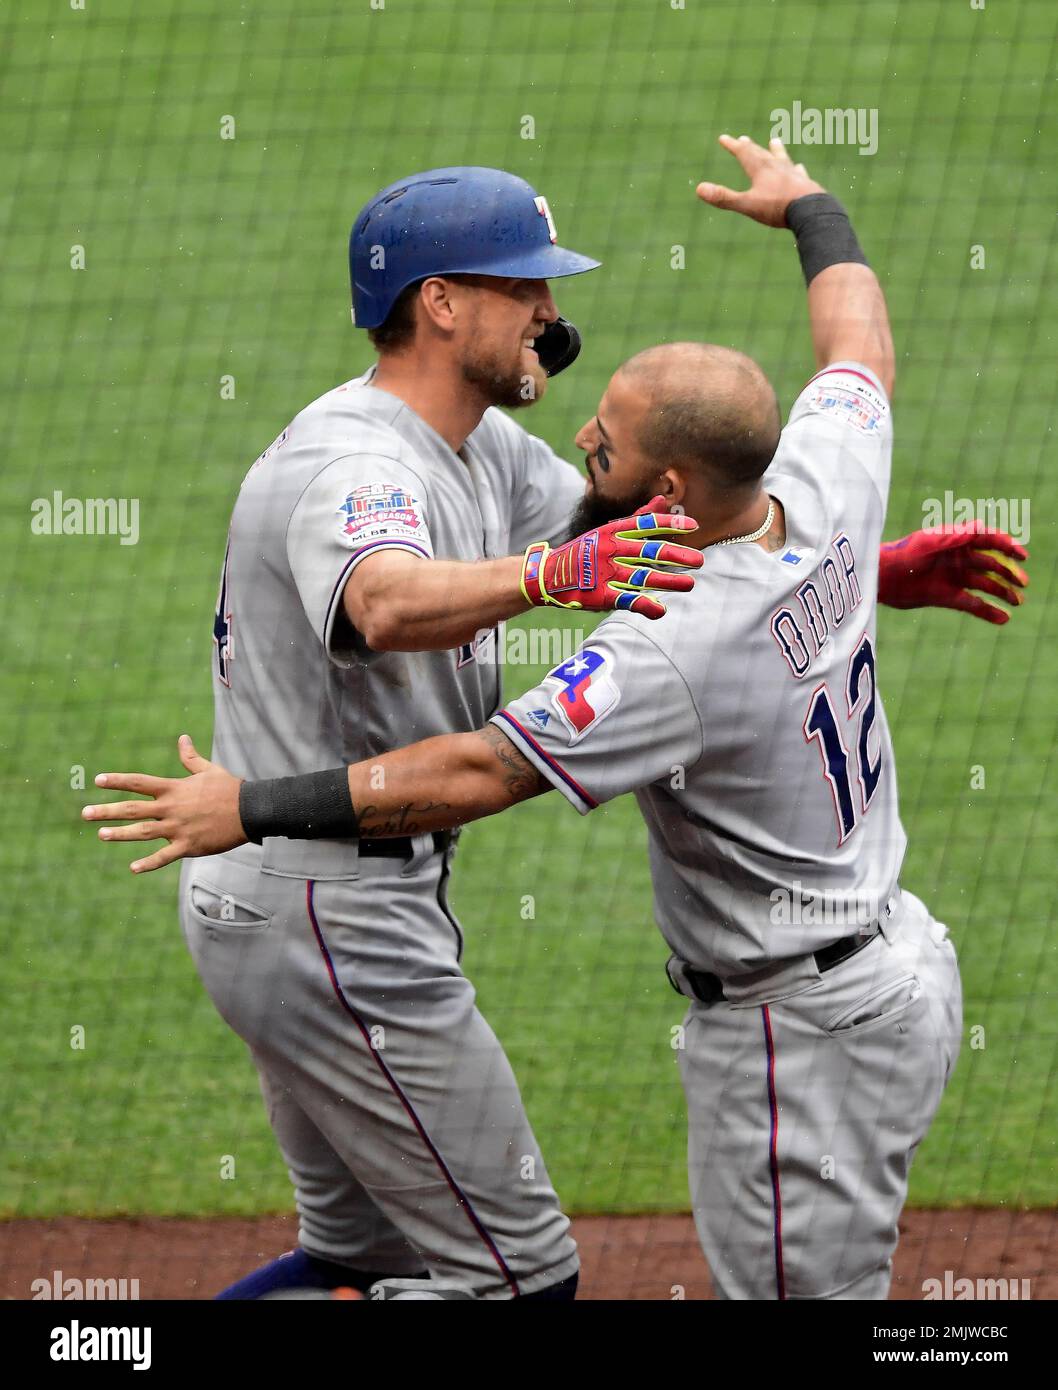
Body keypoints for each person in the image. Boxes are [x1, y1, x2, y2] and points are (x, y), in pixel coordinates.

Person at [85, 138, 1029, 1300]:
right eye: (522, 285)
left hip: (331, 884)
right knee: (519, 1282)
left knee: (360, 1257)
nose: (547, 310)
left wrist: (865, 567)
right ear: (438, 304)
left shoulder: (481, 446)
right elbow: (383, 603)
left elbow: (645, 533)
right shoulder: (356, 464)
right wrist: (551, 576)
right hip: (318, 894)